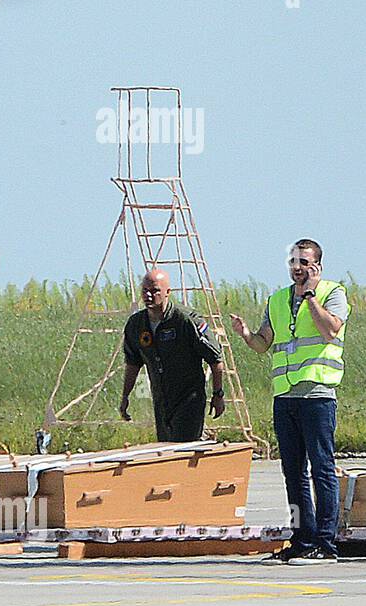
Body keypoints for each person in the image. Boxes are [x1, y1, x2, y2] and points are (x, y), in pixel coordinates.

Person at [231, 239, 348, 565]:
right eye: (294, 261)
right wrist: (245, 335)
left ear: (318, 267)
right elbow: (263, 343)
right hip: (285, 397)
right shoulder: (278, 300)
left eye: (305, 262)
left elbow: (330, 331)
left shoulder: (333, 294)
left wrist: (310, 297)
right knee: (292, 473)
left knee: (321, 470)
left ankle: (325, 544)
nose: (298, 267)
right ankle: (301, 538)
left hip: (317, 394)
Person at [120, 268, 225, 441]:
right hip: (161, 400)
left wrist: (218, 394)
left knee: (181, 449)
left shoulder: (186, 321)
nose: (149, 295)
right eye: (145, 291)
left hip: (189, 399)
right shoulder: (136, 324)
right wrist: (125, 396)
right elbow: (132, 364)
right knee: (167, 449)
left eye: (155, 291)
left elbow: (215, 360)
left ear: (168, 292)